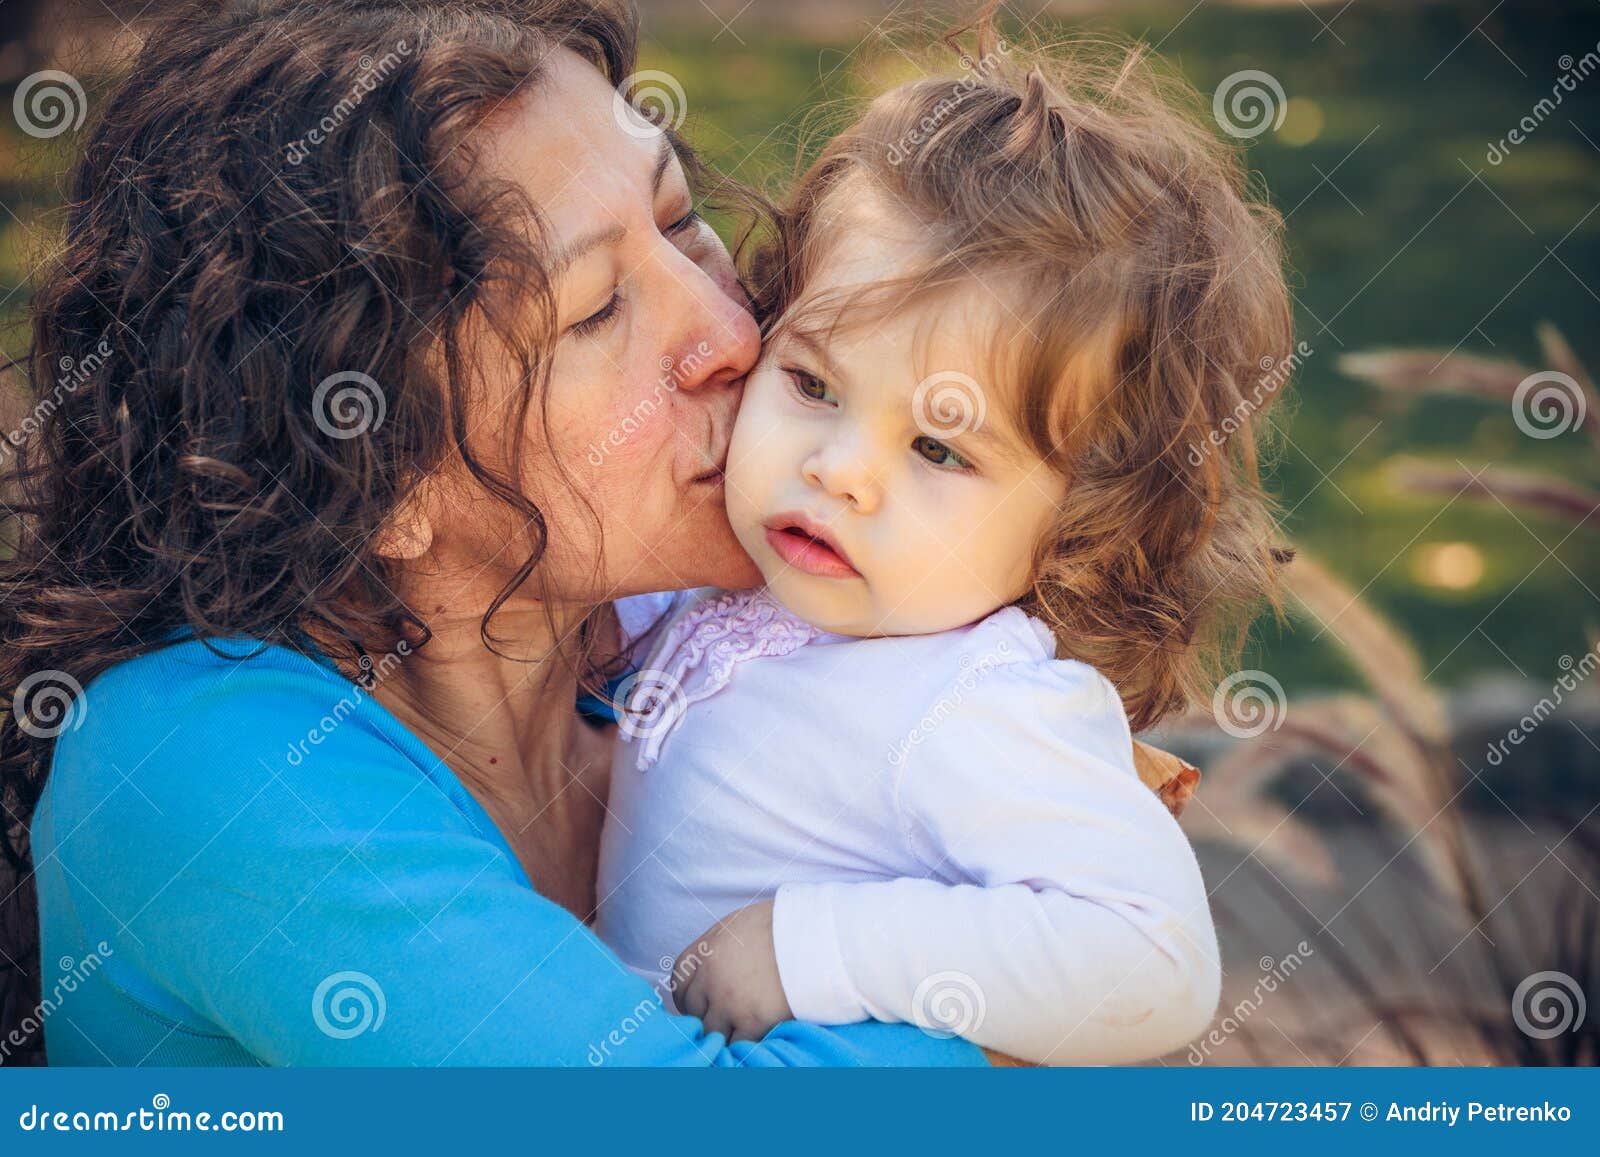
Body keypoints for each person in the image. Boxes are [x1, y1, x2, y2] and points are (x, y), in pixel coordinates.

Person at [0, 0, 990, 1066]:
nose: (733, 329)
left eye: (677, 216)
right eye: (598, 311)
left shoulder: (689, 637)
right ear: (373, 474)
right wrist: (1017, 988)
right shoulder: (206, 764)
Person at [594, 21, 1292, 1064]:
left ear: (1079, 517)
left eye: (938, 446)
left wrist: (813, 946)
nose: (839, 468)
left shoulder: (976, 699)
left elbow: (1155, 958)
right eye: (813, 383)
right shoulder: (737, 580)